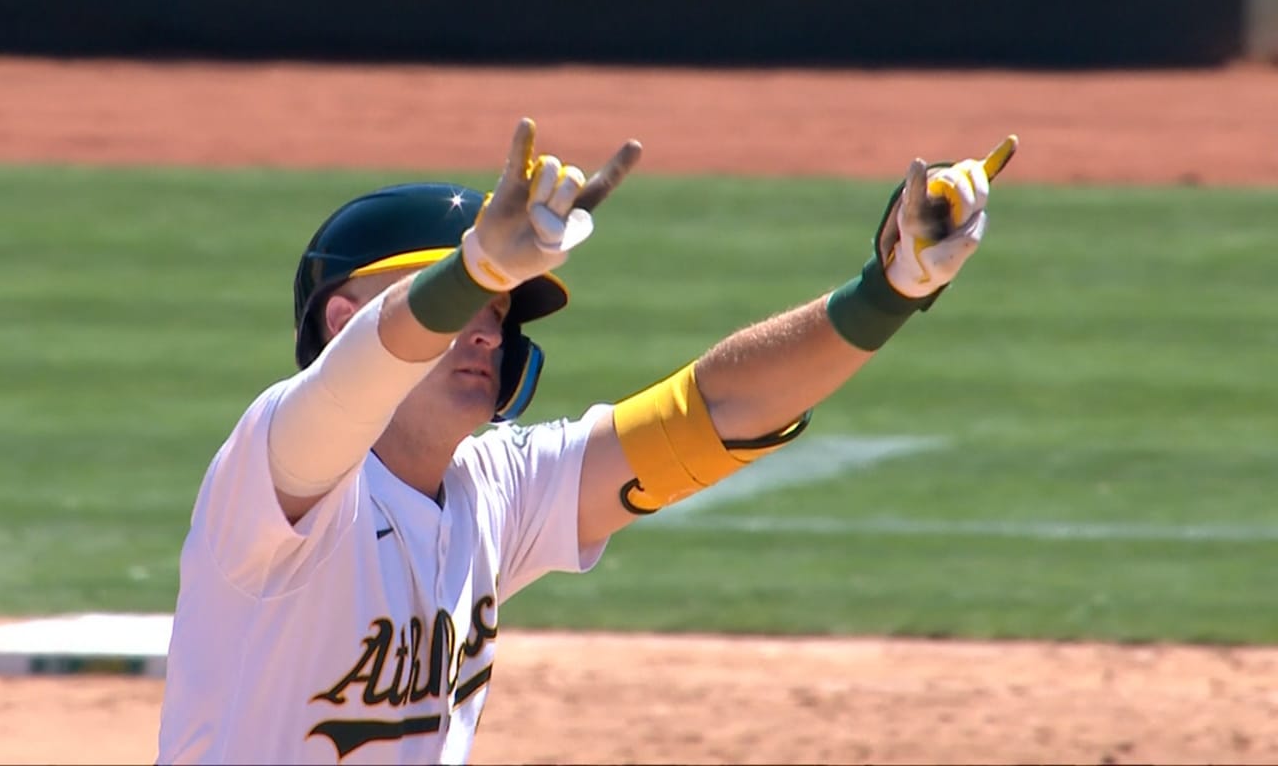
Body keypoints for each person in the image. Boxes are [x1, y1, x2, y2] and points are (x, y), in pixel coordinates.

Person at [156, 117, 1017, 765]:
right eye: (467, 301)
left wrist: (889, 289)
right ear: (341, 318)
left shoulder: (494, 487)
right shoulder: (276, 474)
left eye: (498, 307)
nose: (488, 326)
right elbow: (355, 381)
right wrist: (470, 272)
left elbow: (714, 412)